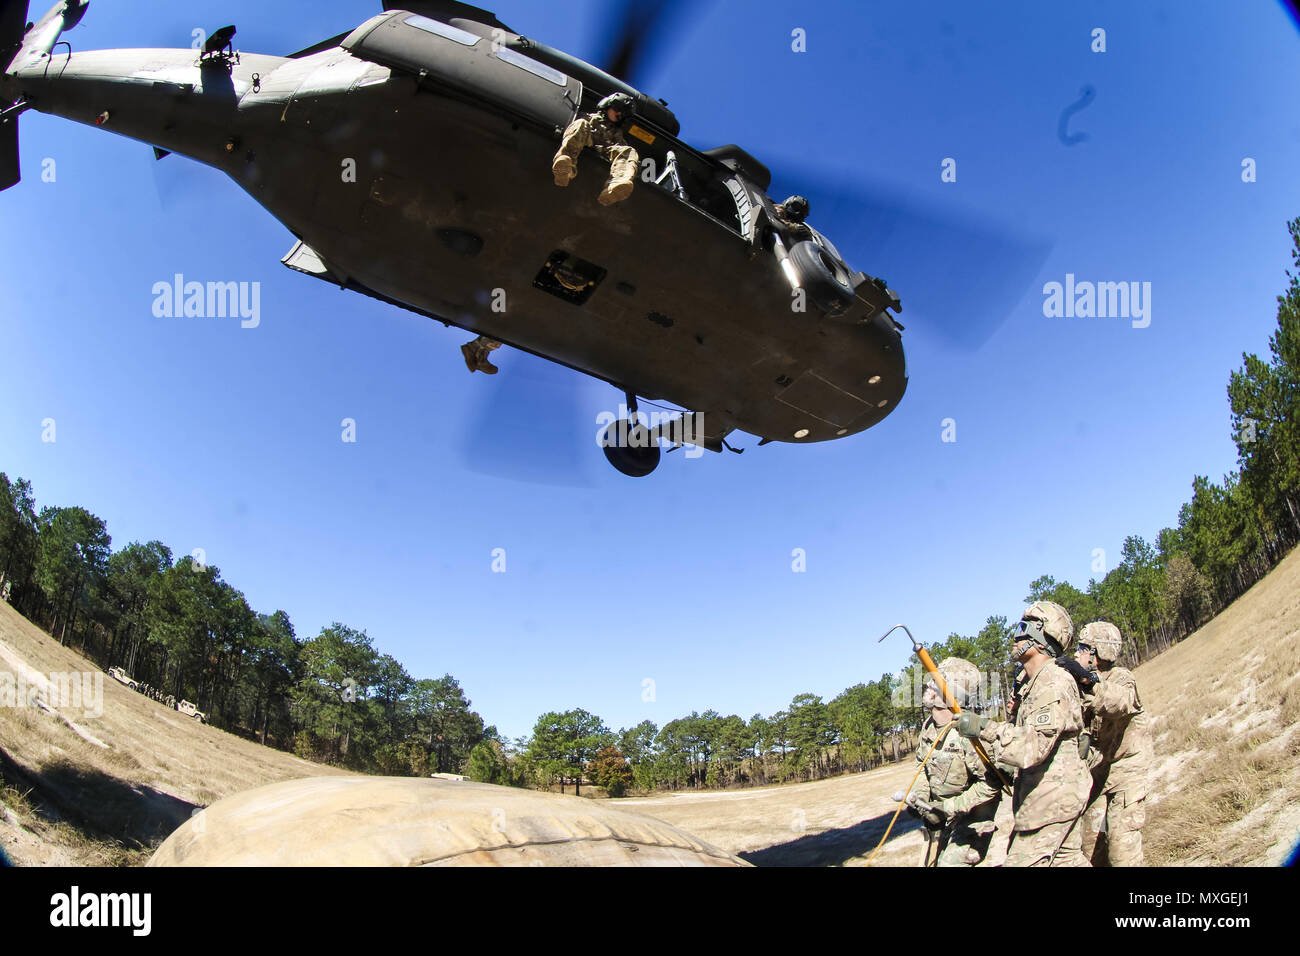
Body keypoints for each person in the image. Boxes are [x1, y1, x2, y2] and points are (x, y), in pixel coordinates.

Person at [956, 601, 1092, 867]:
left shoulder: (1053, 681)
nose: (1015, 637)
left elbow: (1030, 748)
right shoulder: (1032, 684)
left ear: (1042, 638)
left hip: (1051, 804)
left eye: (1023, 629)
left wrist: (984, 728)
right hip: (1050, 800)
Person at [906, 657, 1002, 866]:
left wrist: (947, 808)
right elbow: (921, 766)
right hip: (946, 815)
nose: (928, 686)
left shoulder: (969, 732)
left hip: (973, 817)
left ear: (952, 695)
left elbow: (991, 785)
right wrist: (922, 801)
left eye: (936, 683)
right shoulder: (928, 727)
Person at [1075, 621, 1150, 866]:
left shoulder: (1122, 678)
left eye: (1083, 648)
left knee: (1122, 854)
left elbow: (1120, 702)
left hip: (1127, 771)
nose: (1077, 653)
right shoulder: (1083, 685)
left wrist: (1088, 683)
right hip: (1099, 774)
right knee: (1090, 850)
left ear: (1097, 653)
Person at [551, 93, 640, 206]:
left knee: (629, 151)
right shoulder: (588, 118)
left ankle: (615, 185)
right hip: (585, 141)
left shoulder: (617, 135)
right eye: (617, 109)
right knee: (581, 124)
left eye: (622, 114)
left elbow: (620, 150)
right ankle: (565, 165)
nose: (618, 114)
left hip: (604, 151)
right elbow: (573, 129)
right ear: (607, 105)